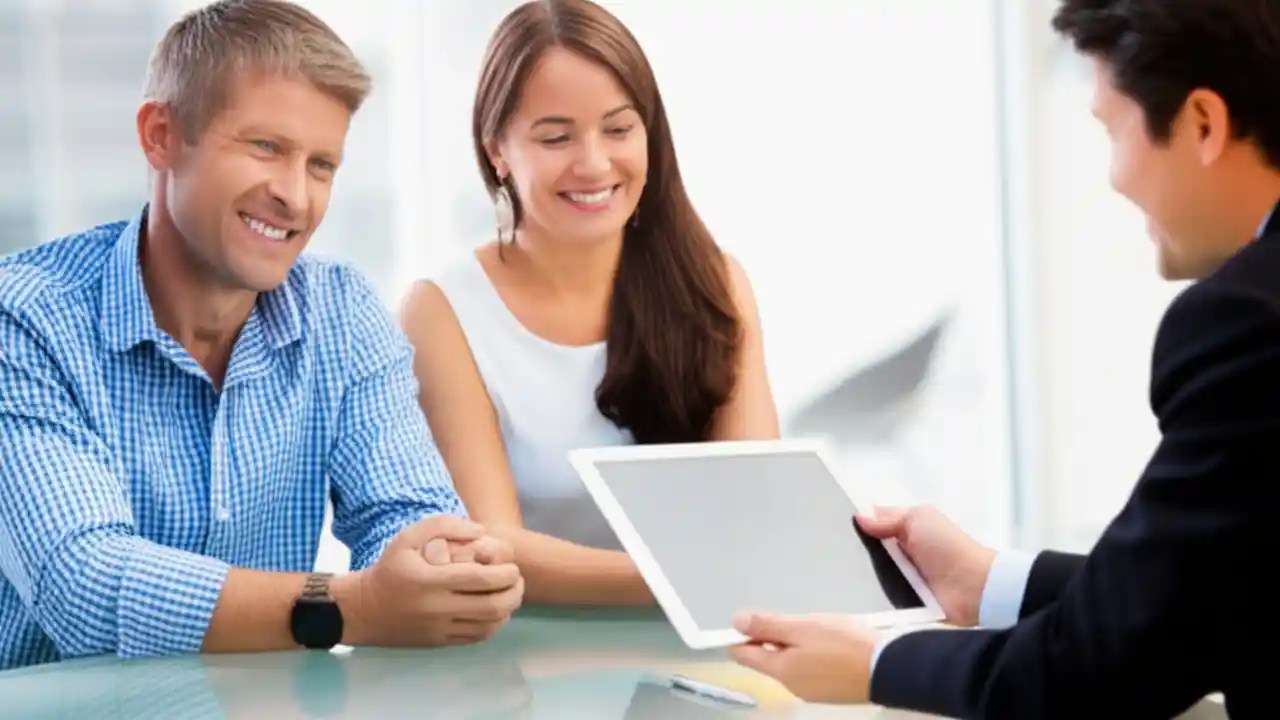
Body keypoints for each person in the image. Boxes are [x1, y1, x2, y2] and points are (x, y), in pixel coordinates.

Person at [729, 1, 1280, 717]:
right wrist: (986, 582)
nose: (1113, 177)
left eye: (1112, 130)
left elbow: (1105, 666)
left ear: (1203, 124)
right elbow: (1204, 590)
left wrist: (875, 663)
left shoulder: (1243, 322)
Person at [0, 0, 522, 671]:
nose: (296, 197)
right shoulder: (24, 318)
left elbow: (408, 513)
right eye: (266, 147)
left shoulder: (342, 312)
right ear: (161, 134)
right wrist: (347, 607)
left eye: (321, 165)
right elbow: (84, 585)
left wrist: (445, 568)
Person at [399, 0, 780, 607]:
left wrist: (731, 580)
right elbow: (494, 547)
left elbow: (756, 507)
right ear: (497, 149)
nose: (594, 164)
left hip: (710, 654)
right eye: (555, 137)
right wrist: (692, 583)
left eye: (619, 129)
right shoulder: (441, 311)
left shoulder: (716, 283)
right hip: (525, 668)